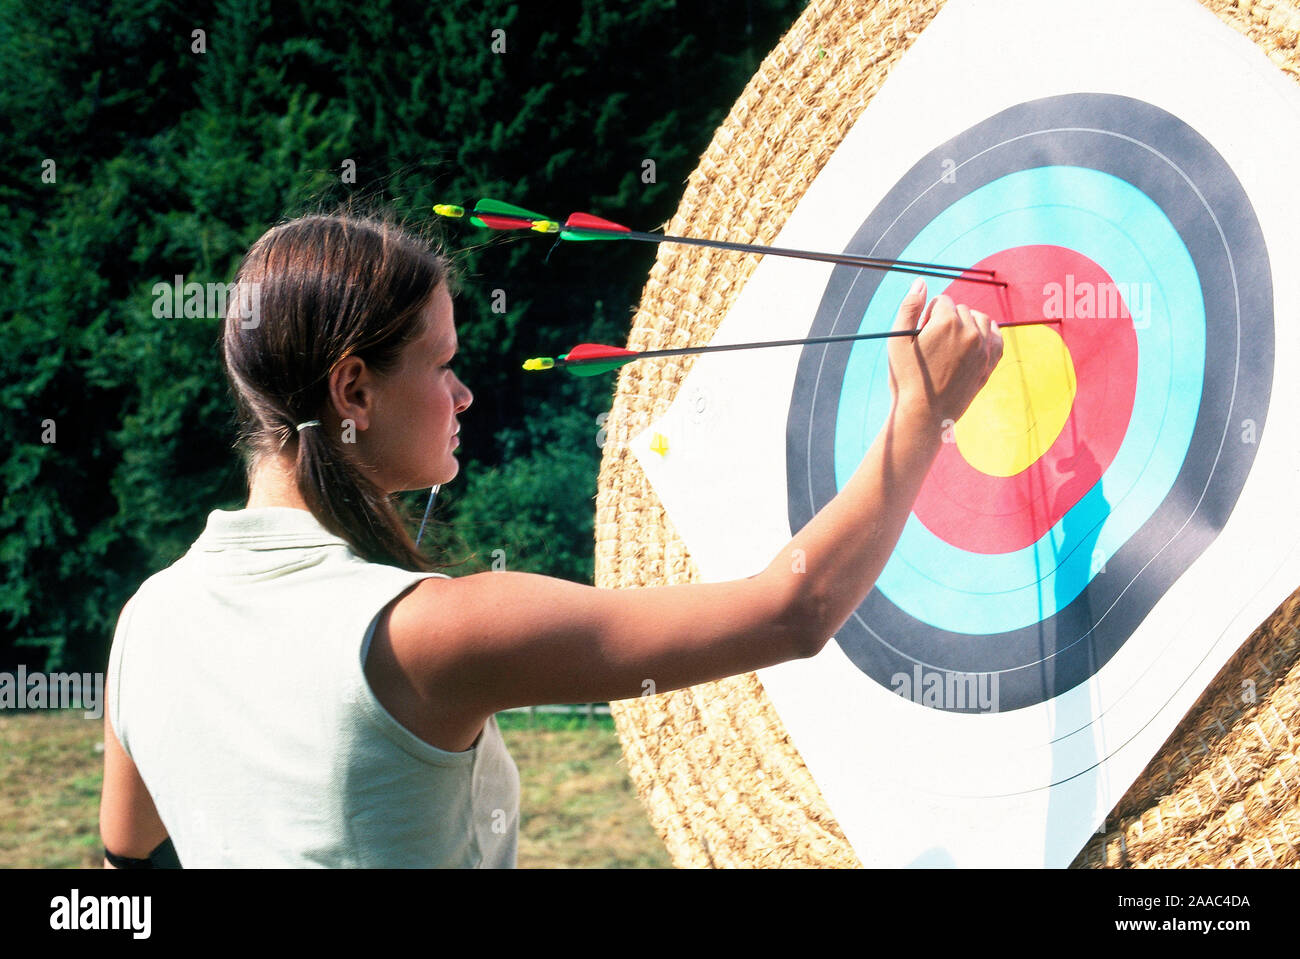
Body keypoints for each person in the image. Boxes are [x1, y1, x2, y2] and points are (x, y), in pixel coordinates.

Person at [99, 211, 1002, 868]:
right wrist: (920, 416)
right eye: (443, 364)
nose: (463, 397)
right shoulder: (426, 631)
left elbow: (123, 863)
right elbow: (792, 611)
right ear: (354, 392)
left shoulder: (146, 620)